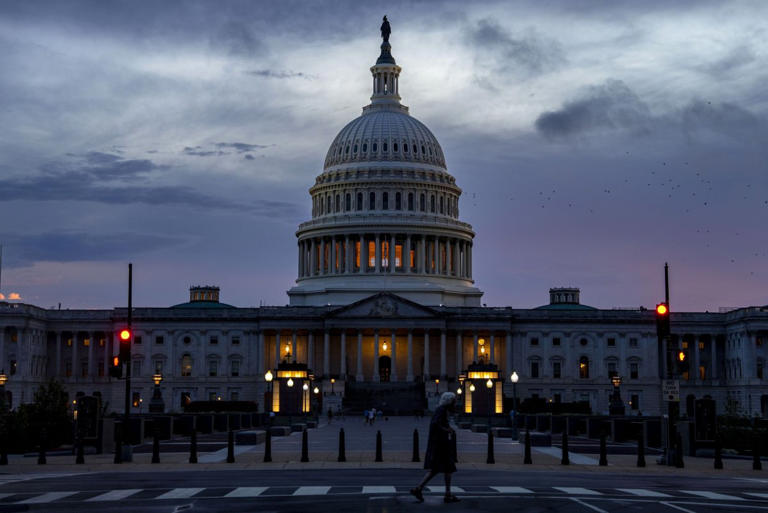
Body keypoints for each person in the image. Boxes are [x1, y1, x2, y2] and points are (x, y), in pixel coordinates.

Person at [410, 392, 459, 503]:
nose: (455, 402)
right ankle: (447, 494)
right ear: (449, 401)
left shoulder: (442, 410)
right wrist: (448, 430)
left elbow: (438, 423)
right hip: (441, 445)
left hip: (441, 444)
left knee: (438, 469)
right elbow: (435, 424)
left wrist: (448, 428)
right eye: (454, 400)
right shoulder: (441, 410)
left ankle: (419, 489)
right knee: (447, 468)